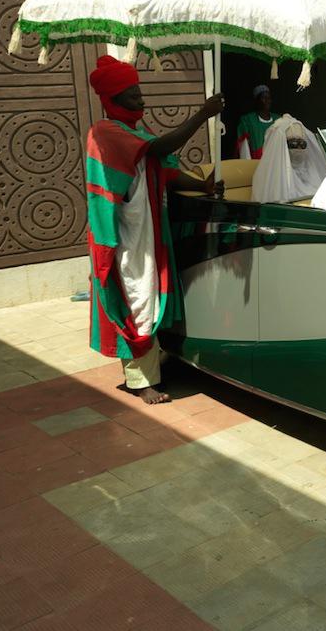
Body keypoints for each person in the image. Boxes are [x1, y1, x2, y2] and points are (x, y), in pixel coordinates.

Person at [85, 55, 223, 404]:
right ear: (113, 101)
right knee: (136, 299)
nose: (141, 100)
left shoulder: (135, 132)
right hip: (124, 236)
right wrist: (202, 115)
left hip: (149, 230)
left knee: (153, 293)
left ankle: (155, 365)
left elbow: (166, 170)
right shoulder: (105, 132)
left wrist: (202, 186)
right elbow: (161, 148)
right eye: (133, 96)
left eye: (139, 92)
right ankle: (140, 382)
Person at [251, 114, 326, 204]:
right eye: (293, 144)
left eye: (302, 144)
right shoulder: (271, 182)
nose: (299, 148)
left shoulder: (314, 172)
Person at [235, 85, 279, 159]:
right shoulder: (248, 120)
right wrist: (248, 166)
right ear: (257, 100)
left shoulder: (278, 119)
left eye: (269, 98)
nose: (267, 100)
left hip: (275, 162)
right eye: (263, 98)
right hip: (256, 164)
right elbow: (244, 149)